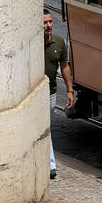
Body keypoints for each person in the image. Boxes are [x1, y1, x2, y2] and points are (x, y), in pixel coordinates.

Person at [44, 10, 74, 180]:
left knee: (46, 127)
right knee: (44, 127)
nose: (48, 25)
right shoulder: (33, 43)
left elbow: (65, 67)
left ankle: (48, 163)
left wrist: (69, 90)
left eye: (50, 22)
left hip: (51, 93)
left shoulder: (59, 42)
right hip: (37, 92)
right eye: (45, 22)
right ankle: (51, 165)